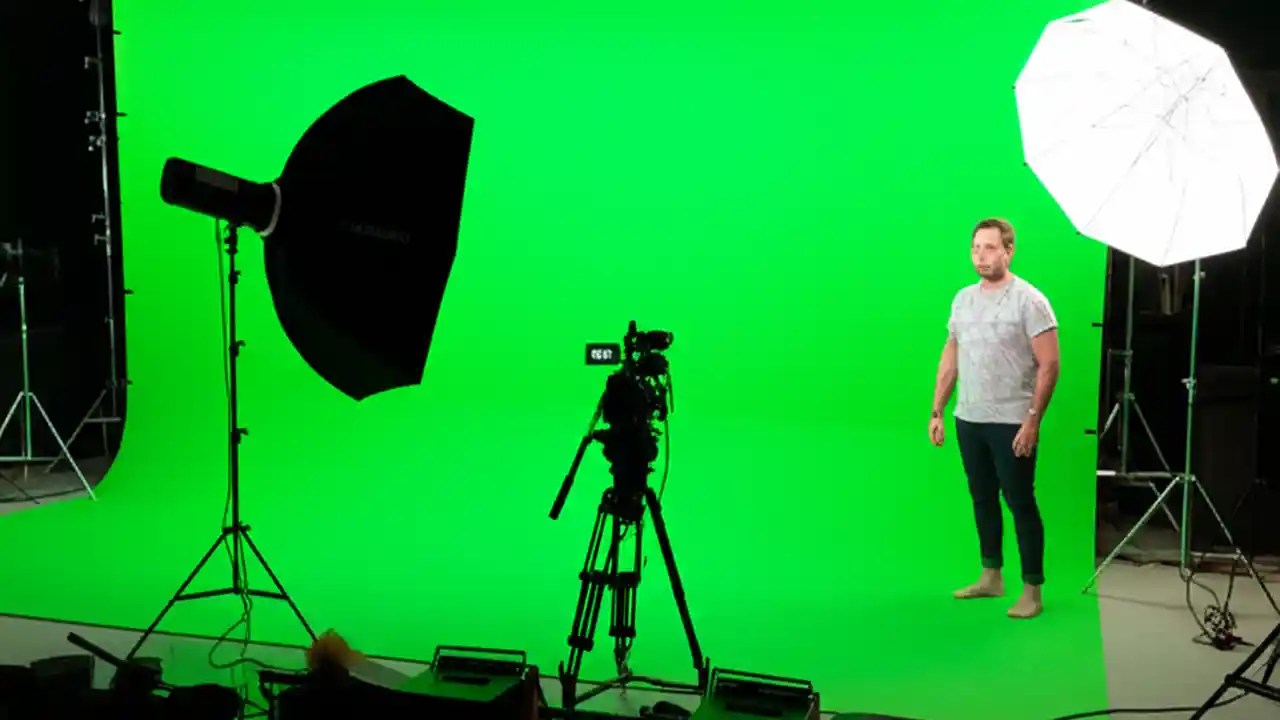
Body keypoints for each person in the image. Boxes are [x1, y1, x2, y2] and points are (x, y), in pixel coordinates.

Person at [930, 218, 1060, 620]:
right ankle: (991, 575)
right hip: (969, 417)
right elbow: (950, 356)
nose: (981, 256)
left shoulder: (1030, 301)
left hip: (1011, 421)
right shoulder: (962, 300)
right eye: (975, 248)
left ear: (1008, 250)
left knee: (1020, 501)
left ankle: (1032, 590)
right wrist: (937, 408)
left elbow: (1050, 363)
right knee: (982, 496)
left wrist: (1033, 419)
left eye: (989, 248)